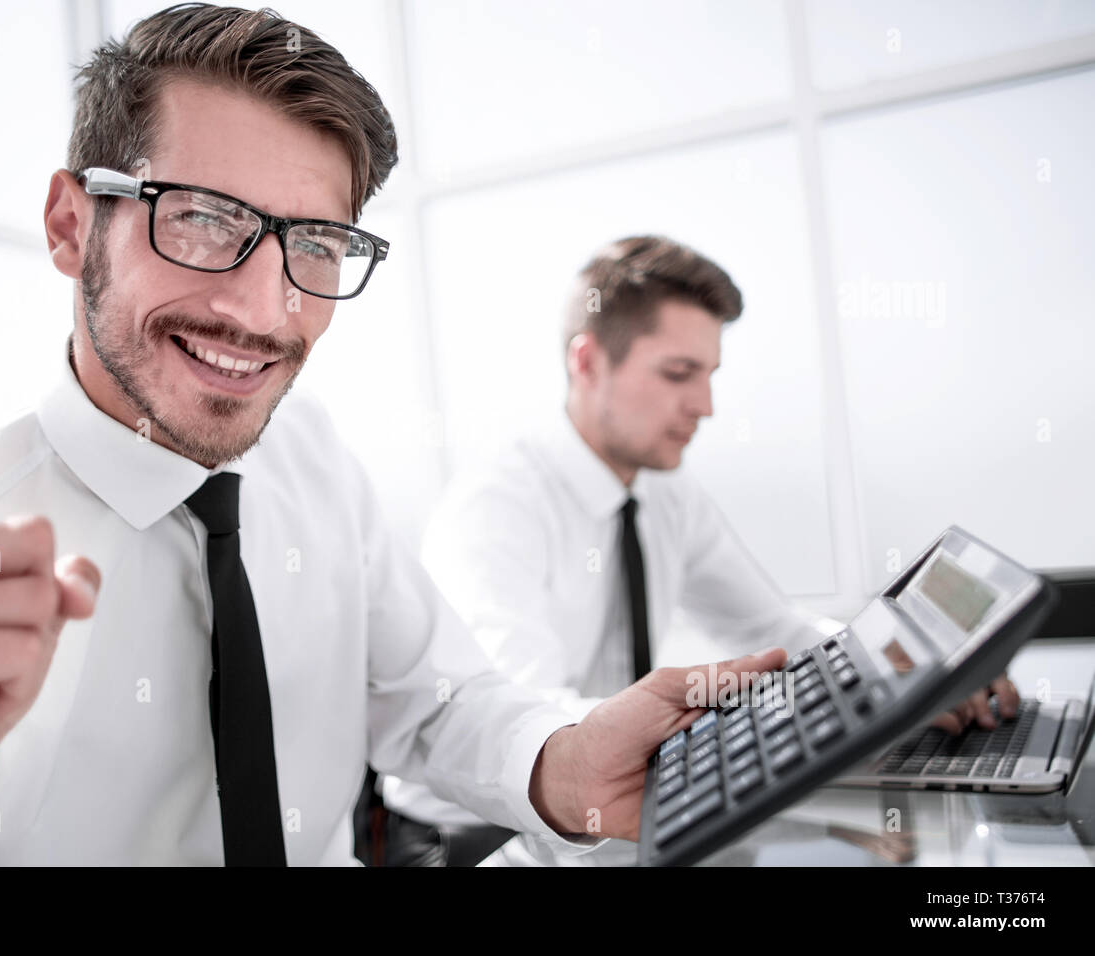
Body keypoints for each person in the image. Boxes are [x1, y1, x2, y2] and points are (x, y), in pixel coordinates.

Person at [0, 5, 786, 867]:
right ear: (69, 224)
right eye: (198, 218)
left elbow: (434, 700)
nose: (260, 310)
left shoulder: (305, 455)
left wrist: (558, 762)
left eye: (313, 244)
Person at [379, 235, 1020, 866]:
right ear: (588, 362)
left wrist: (904, 671)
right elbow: (527, 717)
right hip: (480, 840)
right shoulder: (495, 508)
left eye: (710, 375)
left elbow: (774, 628)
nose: (706, 406)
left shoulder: (666, 494)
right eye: (679, 374)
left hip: (621, 814)